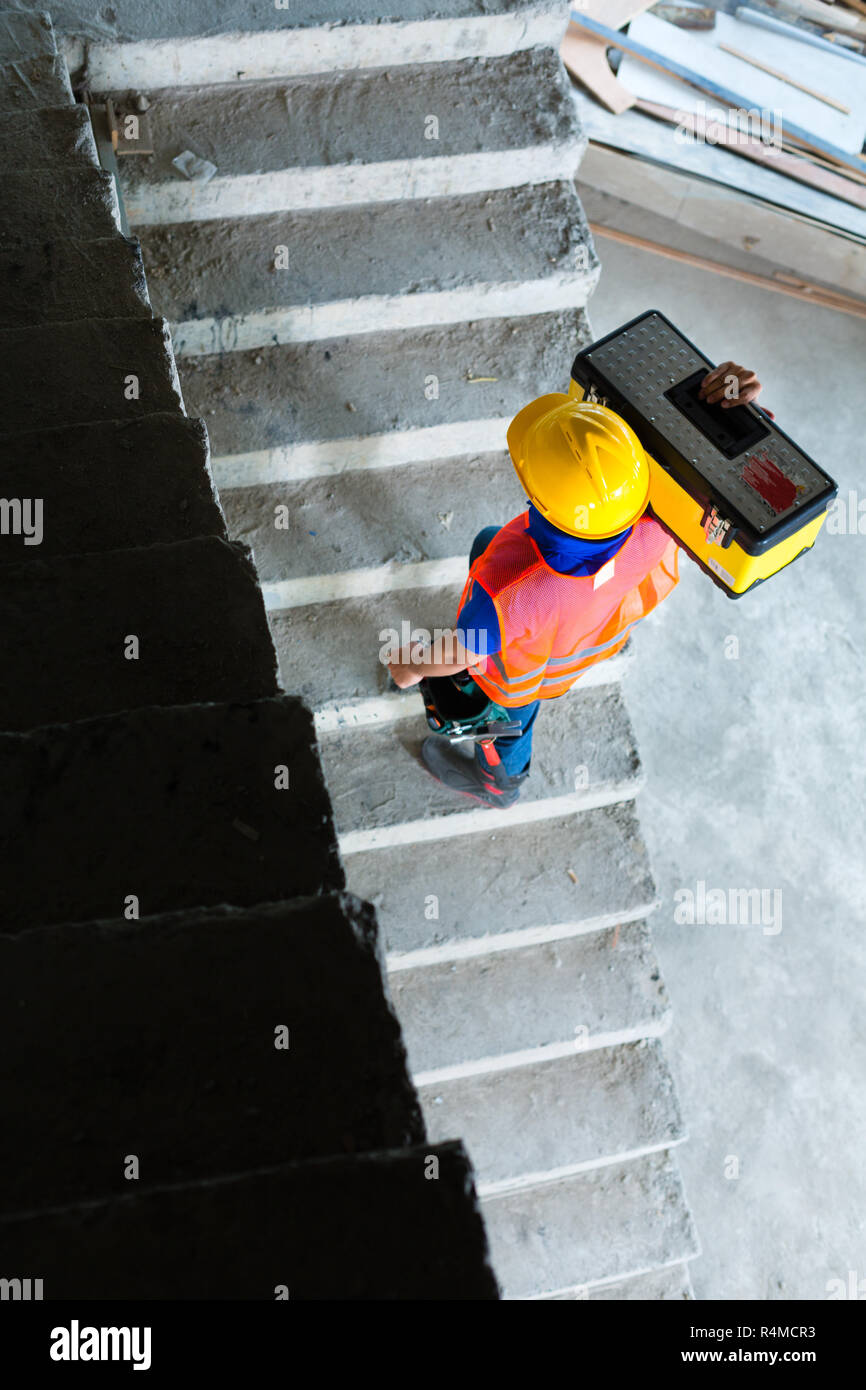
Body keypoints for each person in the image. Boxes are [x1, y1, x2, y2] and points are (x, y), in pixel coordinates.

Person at [385, 360, 764, 807]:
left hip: (521, 672)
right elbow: (741, 489)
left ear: (541, 498)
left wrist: (410, 668)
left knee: (513, 717)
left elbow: (460, 652)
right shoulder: (664, 519)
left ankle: (500, 782)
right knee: (487, 541)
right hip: (588, 623)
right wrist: (736, 408)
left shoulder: (505, 594)